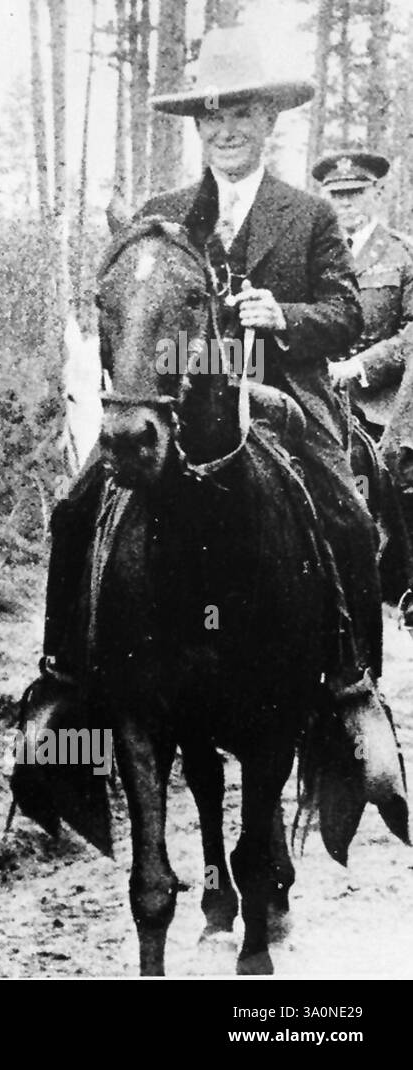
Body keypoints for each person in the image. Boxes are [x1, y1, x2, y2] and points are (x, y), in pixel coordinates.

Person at [26, 27, 382, 737]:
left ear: (268, 123)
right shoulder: (164, 209)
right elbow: (131, 293)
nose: (224, 131)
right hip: (175, 399)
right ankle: (64, 677)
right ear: (198, 128)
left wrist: (285, 314)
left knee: (348, 514)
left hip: (281, 394)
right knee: (74, 509)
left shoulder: (308, 214)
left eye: (240, 115)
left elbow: (347, 310)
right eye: (210, 118)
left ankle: (352, 689)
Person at [315, 150, 413, 435]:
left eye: (356, 192)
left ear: (378, 192)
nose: (345, 203)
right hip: (318, 397)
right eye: (336, 194)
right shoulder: (309, 254)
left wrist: (361, 365)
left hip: (383, 405)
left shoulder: (404, 253)